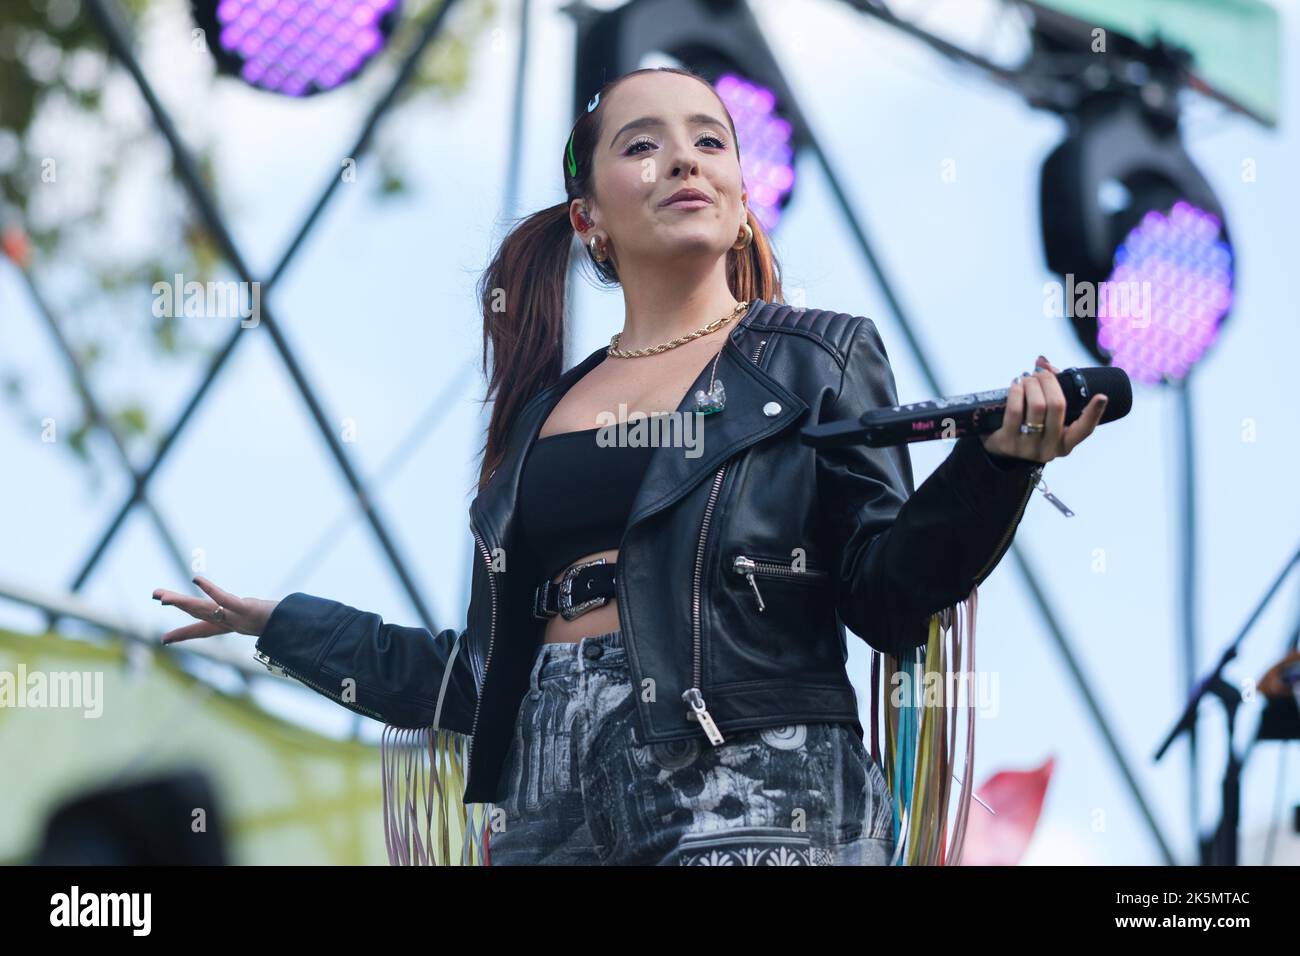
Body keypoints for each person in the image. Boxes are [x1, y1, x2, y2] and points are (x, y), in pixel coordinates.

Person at [151, 67, 1109, 866]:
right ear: (590, 218)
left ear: (740, 206)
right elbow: (481, 679)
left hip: (750, 777)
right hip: (543, 798)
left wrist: (995, 471)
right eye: (642, 144)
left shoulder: (814, 356)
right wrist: (282, 625)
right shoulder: (538, 417)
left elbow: (888, 595)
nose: (683, 157)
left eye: (710, 141)